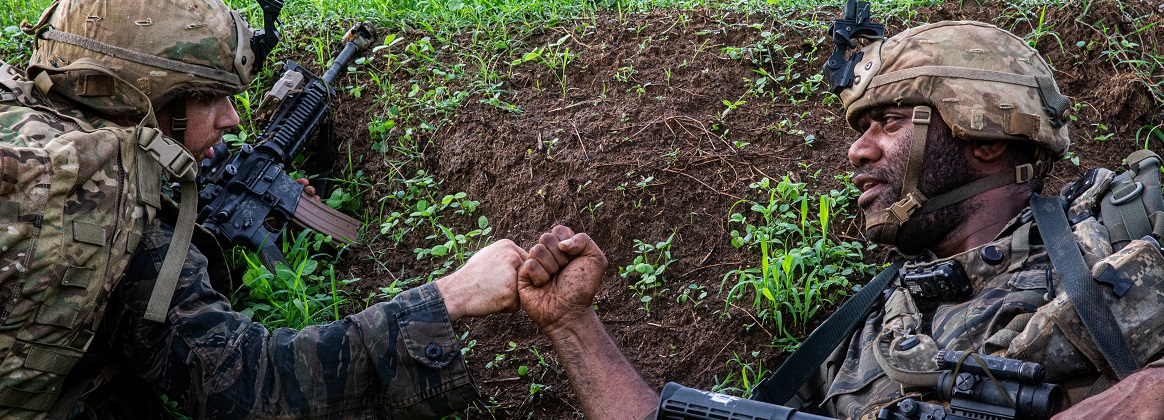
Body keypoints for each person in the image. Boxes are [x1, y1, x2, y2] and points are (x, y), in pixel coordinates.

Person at [517, 21, 1164, 420]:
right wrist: (573, 325)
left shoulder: (1122, 232)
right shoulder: (861, 342)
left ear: (986, 134)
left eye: (888, 122)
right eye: (861, 129)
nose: (857, 149)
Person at [0, 0, 526, 418]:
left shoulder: (26, 127)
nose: (231, 119)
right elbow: (254, 384)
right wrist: (449, 297)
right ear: (147, 97)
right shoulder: (117, 219)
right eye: (210, 97)